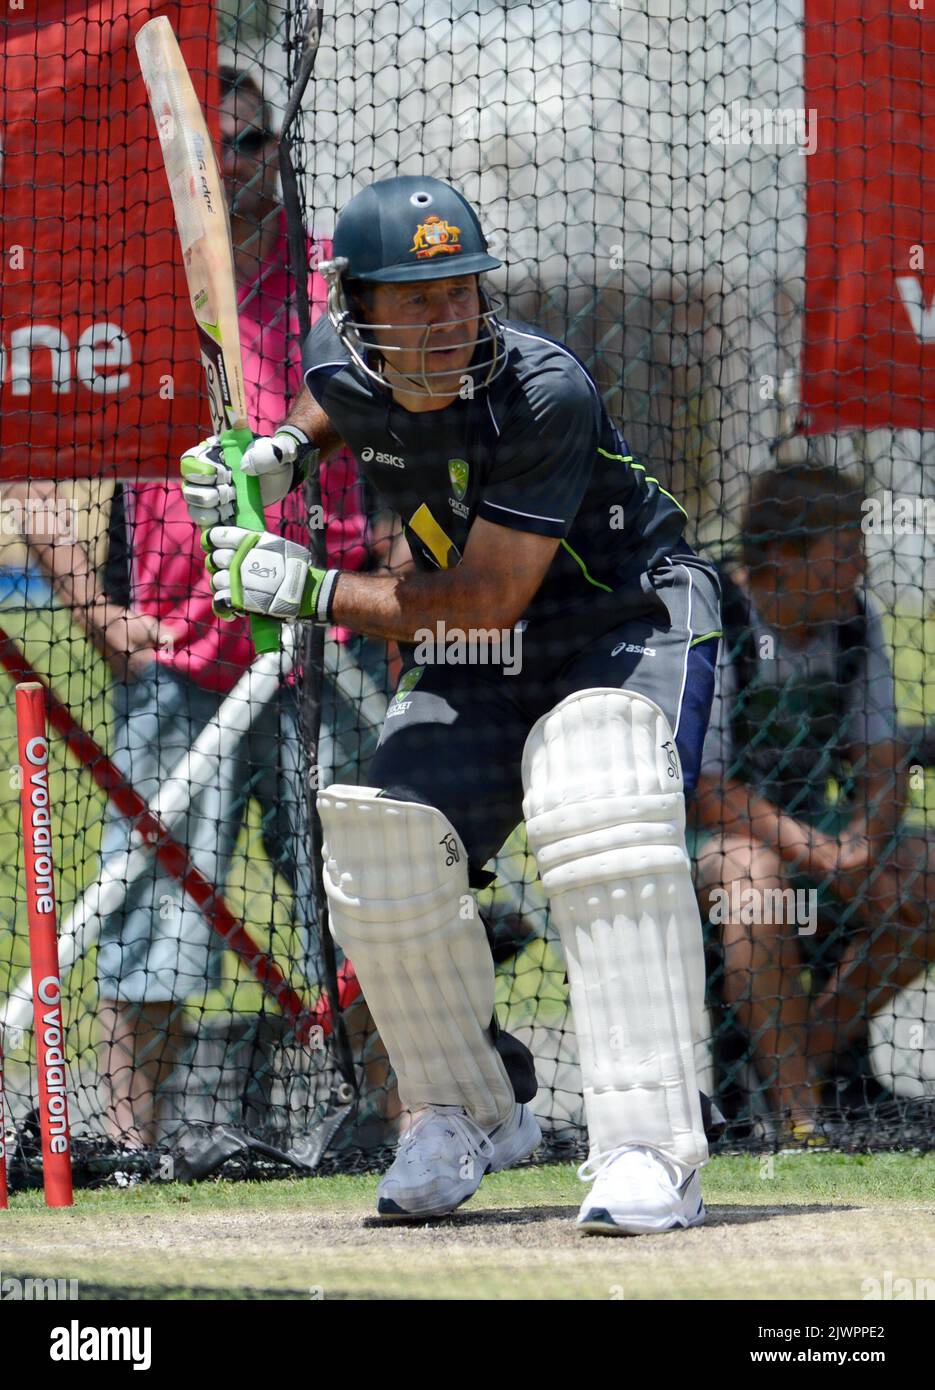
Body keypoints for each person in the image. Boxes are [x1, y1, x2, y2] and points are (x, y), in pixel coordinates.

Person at [184, 175, 721, 1234]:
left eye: (460, 293)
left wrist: (307, 587)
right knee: (381, 843)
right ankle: (469, 1109)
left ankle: (649, 1144)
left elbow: (482, 595)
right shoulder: (345, 365)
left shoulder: (540, 392)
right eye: (416, 299)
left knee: (596, 786)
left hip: (620, 619)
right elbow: (338, 398)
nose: (446, 318)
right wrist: (280, 454)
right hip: (481, 655)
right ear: (362, 309)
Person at [17, 70, 372, 1146]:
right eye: (204, 145)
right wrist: (93, 611)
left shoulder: (338, 282)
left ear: (278, 148)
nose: (225, 165)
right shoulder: (120, 283)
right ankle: (130, 1146)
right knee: (150, 910)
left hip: (330, 634)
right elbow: (31, 465)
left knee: (369, 900)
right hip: (179, 646)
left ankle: (412, 1122)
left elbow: (427, 418)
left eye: (249, 142)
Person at [691, 465, 935, 1139]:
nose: (858, 565)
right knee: (752, 880)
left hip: (819, 830)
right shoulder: (713, 615)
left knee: (925, 871)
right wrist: (820, 853)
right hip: (708, 841)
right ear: (781, 556)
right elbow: (703, 789)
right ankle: (800, 1113)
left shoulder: (855, 622)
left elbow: (881, 760)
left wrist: (859, 842)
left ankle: (799, 1070)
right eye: (844, 549)